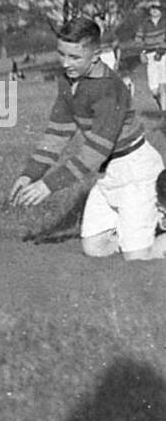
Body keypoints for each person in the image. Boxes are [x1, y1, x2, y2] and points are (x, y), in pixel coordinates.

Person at [9, 16, 166, 261]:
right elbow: (57, 132)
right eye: (62, 54)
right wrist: (30, 174)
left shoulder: (109, 88)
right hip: (108, 174)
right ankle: (140, 225)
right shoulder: (67, 80)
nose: (66, 63)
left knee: (137, 256)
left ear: (96, 56)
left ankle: (152, 224)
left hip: (136, 170)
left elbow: (96, 151)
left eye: (75, 57)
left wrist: (48, 185)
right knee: (95, 247)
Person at [136, 0, 164, 110]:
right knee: (154, 90)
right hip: (150, 55)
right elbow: (138, 40)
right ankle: (161, 104)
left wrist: (161, 50)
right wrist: (142, 53)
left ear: (161, 10)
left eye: (156, 8)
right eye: (152, 9)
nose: (154, 10)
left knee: (163, 84)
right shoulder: (144, 24)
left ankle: (163, 111)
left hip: (164, 54)